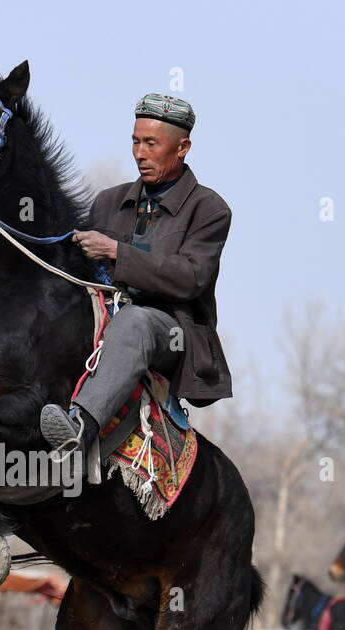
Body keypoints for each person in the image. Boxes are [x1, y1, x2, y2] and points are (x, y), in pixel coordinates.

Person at [39, 93, 233, 465]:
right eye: (135, 141)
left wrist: (116, 252)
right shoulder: (108, 202)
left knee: (136, 321)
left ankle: (79, 429)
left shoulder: (210, 209)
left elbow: (190, 277)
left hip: (172, 333)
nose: (139, 153)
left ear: (183, 148)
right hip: (105, 317)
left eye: (151, 144)